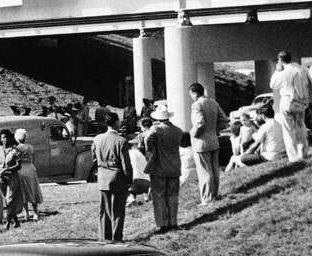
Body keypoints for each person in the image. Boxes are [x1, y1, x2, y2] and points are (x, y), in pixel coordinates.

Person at [138, 104, 183, 232]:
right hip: (174, 166)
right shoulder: (178, 131)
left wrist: (151, 150)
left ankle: (163, 224)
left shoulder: (155, 129)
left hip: (159, 166)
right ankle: (173, 222)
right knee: (173, 196)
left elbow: (146, 141)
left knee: (159, 196)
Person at [92, 112, 132, 241]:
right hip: (118, 176)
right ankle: (117, 237)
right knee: (118, 210)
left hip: (103, 176)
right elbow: (126, 164)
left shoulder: (97, 139)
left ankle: (104, 238)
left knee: (104, 210)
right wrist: (129, 179)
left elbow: (93, 158)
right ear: (116, 122)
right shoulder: (121, 141)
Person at [188, 82, 229, 205]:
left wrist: (193, 134)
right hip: (213, 141)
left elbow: (199, 123)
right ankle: (215, 195)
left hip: (201, 142)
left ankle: (206, 199)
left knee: (205, 171)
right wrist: (214, 130)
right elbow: (224, 120)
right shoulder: (213, 102)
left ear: (194, 93)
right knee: (214, 170)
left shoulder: (196, 105)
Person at [270, 50, 312, 161]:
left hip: (287, 100)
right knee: (301, 127)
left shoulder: (284, 72)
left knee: (288, 131)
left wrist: (277, 71)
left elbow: (273, 84)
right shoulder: (301, 68)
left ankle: (294, 158)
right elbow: (310, 80)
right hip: (300, 102)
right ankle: (303, 153)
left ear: (280, 60)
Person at [12, 128, 42, 221]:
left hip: (21, 169)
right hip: (30, 168)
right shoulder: (30, 147)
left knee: (23, 191)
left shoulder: (16, 148)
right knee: (33, 189)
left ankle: (26, 213)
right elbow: (33, 159)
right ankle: (35, 212)